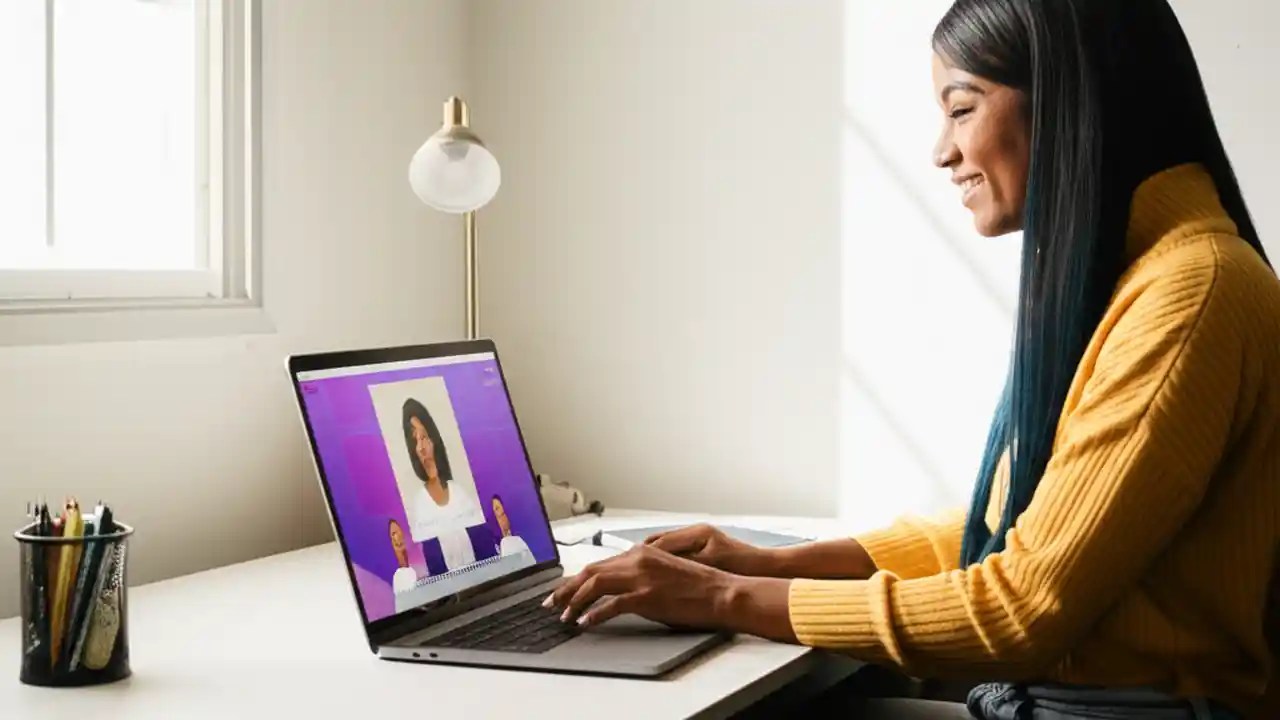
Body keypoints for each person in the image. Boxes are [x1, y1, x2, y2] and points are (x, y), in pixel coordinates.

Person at [545, 2, 1280, 718]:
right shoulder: (1148, 273)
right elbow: (1001, 533)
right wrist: (762, 564)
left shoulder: (1191, 292)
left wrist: (721, 598)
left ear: (1067, 103)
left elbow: (1020, 608)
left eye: (961, 109)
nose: (941, 151)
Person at [401, 398, 477, 571]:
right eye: (415, 441)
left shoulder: (460, 493)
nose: (420, 447)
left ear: (434, 439)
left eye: (424, 437)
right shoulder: (418, 504)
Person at [388, 518, 418, 596]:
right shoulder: (397, 577)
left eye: (400, 531)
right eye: (393, 534)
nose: (399, 537)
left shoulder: (413, 569)